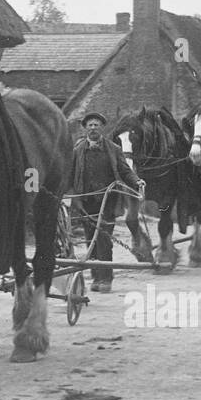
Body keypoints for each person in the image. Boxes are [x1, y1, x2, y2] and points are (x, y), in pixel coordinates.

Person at [70, 111, 144, 293]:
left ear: (102, 128)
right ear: (85, 128)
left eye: (96, 125)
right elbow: (69, 175)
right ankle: (95, 277)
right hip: (86, 201)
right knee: (91, 240)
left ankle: (106, 279)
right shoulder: (77, 151)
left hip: (107, 201)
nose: (93, 128)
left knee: (104, 239)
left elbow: (125, 171)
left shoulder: (113, 149)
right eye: (90, 125)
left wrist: (136, 181)